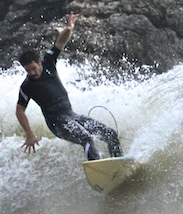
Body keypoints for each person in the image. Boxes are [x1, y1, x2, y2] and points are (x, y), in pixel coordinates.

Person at [16, 13, 123, 160]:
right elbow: (20, 110)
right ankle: (98, 170)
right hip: (57, 124)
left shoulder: (49, 63)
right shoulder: (27, 86)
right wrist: (29, 134)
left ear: (39, 62)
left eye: (33, 68)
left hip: (71, 115)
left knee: (110, 134)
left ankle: (119, 163)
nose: (32, 73)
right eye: (28, 70)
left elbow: (59, 43)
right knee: (86, 138)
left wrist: (69, 27)